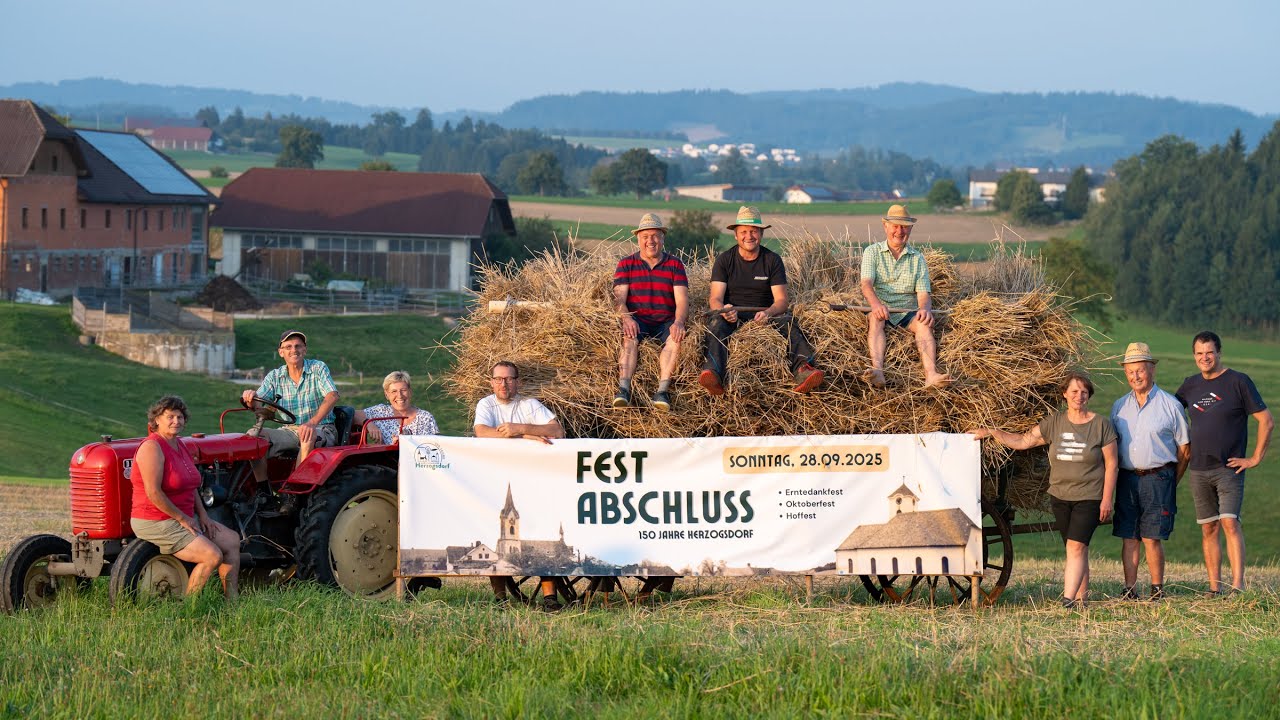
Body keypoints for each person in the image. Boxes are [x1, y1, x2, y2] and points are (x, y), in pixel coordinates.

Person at [970, 372, 1117, 608]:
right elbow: (1024, 441)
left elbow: (1112, 465)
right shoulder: (1054, 423)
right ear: (1065, 395)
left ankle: (1068, 599)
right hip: (1060, 496)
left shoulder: (1101, 425)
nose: (1079, 396)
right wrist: (993, 433)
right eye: (1074, 392)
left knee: (1075, 546)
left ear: (1089, 394)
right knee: (1076, 548)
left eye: (1084, 392)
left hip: (1089, 496)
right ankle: (1082, 599)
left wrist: (1106, 499)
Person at [1175, 331, 1272, 594]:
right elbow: (1169, 412)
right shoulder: (1190, 385)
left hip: (1229, 467)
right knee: (1208, 527)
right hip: (1198, 469)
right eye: (1199, 353)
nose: (1204, 357)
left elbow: (1266, 420)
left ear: (1219, 353)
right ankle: (1214, 587)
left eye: (1209, 352)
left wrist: (1255, 458)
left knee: (1229, 522)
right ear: (1194, 356)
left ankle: (1237, 585)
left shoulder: (1238, 382)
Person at [699, 206, 823, 396]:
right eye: (744, 232)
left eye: (754, 231)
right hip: (733, 313)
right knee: (716, 325)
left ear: (761, 233)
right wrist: (725, 310)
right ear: (735, 235)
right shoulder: (724, 260)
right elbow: (715, 298)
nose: (749, 236)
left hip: (764, 313)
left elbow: (781, 301)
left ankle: (803, 370)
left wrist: (768, 313)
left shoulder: (772, 260)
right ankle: (714, 373)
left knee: (789, 323)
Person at [474, 361, 566, 609]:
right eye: (498, 379)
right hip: (496, 478)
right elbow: (482, 432)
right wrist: (524, 437)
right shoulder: (486, 404)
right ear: (491, 382)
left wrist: (520, 427)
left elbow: (557, 430)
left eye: (509, 379)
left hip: (531, 478)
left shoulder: (529, 405)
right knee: (495, 534)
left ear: (518, 382)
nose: (503, 384)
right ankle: (500, 598)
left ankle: (549, 598)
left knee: (541, 530)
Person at [130, 396, 240, 599]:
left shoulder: (180, 445)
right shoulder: (152, 447)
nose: (176, 421)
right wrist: (182, 518)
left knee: (232, 541)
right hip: (157, 520)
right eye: (170, 416)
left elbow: (191, 486)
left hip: (184, 517)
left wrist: (203, 516)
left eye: (180, 417)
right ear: (156, 420)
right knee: (211, 556)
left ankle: (232, 602)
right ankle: (190, 607)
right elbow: (153, 492)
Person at [1111, 342, 1189, 601]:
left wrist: (1170, 479)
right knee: (1129, 536)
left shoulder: (1170, 405)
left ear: (1152, 370)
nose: (1135, 376)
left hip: (1159, 476)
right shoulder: (1119, 407)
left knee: (1151, 537)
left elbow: (1185, 449)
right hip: (1127, 477)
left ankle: (1157, 589)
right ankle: (1129, 589)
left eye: (1140, 370)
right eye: (1130, 371)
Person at [858, 204, 952, 389]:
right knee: (875, 321)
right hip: (882, 308)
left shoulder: (918, 258)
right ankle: (877, 371)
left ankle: (931, 375)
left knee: (925, 325)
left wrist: (924, 309)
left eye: (904, 226)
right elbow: (866, 284)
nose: (899, 231)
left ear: (910, 229)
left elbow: (923, 293)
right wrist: (876, 305)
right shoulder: (872, 252)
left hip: (908, 312)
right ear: (886, 226)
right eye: (895, 226)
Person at [612, 212, 689, 412]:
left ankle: (662, 391)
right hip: (639, 319)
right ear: (638, 239)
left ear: (662, 238)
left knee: (676, 339)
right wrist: (626, 318)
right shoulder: (626, 264)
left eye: (655, 236)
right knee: (629, 338)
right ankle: (624, 389)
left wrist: (679, 322)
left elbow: (682, 300)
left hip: (665, 320)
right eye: (645, 236)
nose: (650, 241)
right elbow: (619, 299)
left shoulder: (675, 265)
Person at [240, 330, 340, 482]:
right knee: (254, 436)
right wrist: (250, 397)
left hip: (322, 428)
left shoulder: (317, 368)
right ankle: (263, 490)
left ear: (304, 349)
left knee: (307, 434)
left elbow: (333, 395)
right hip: (290, 430)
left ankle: (296, 491)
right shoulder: (275, 376)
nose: (294, 350)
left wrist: (312, 423)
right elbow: (259, 402)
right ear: (281, 352)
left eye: (298, 346)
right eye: (288, 347)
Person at [355, 370, 439, 444]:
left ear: (410, 392)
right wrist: (368, 423)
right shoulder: (381, 412)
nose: (399, 395)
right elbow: (351, 414)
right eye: (394, 391)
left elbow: (436, 447)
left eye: (403, 390)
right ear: (386, 395)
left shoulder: (426, 418)